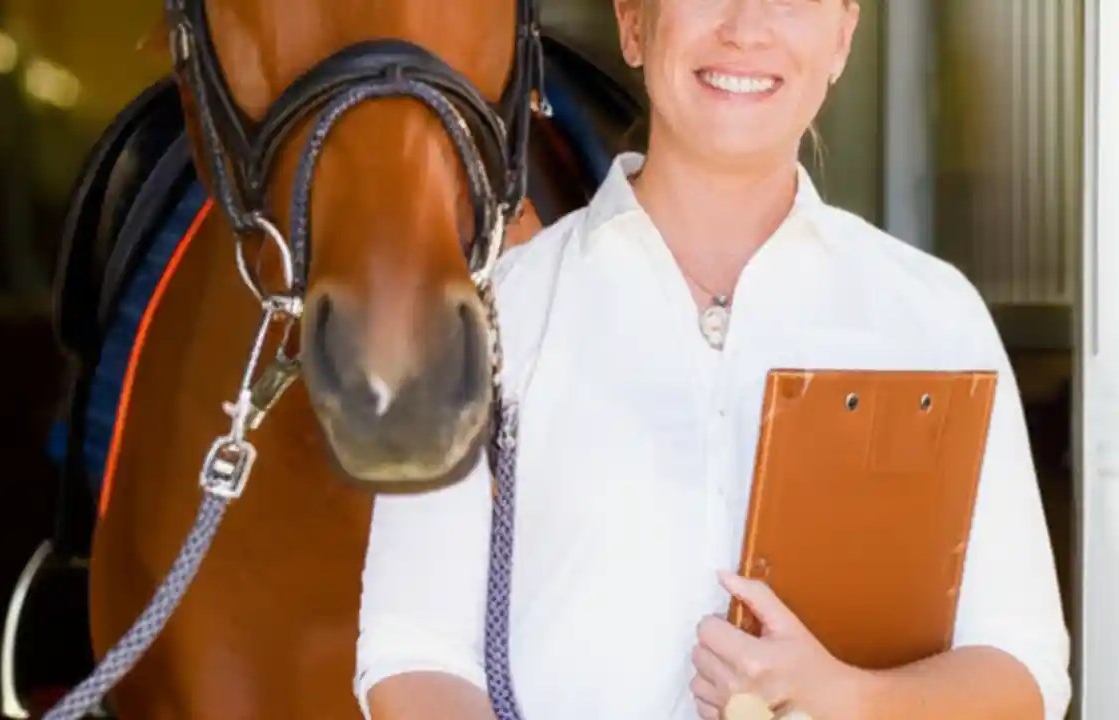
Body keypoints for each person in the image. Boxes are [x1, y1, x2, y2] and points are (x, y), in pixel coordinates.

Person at [353, 0, 1072, 718]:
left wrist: (853, 699)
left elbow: (1024, 671)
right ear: (634, 25)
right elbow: (414, 652)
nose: (746, 27)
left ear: (843, 38)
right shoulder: (493, 315)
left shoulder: (933, 318)